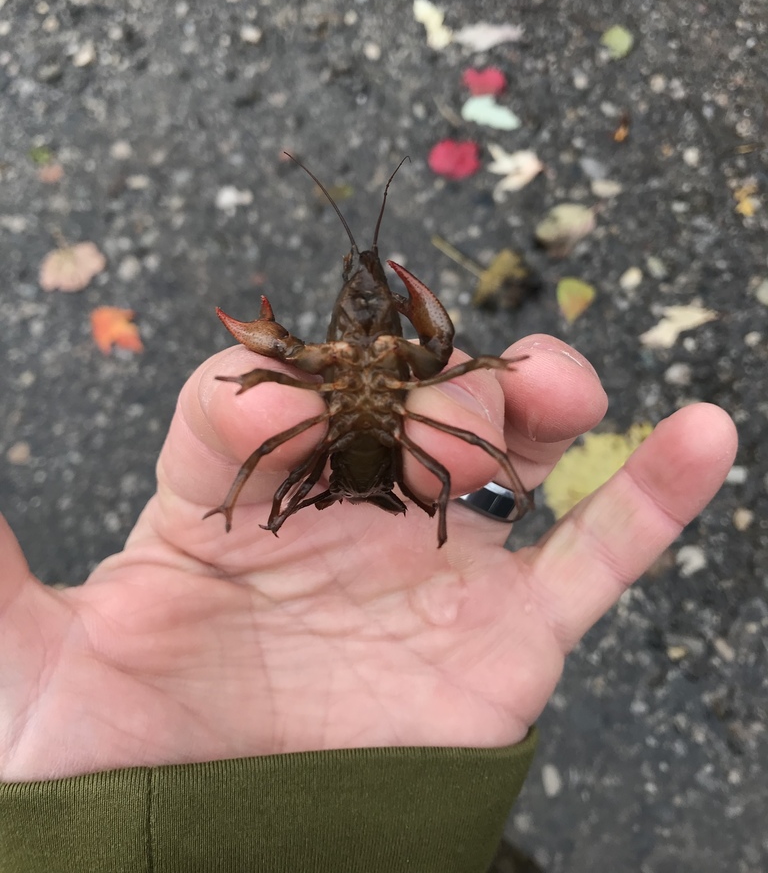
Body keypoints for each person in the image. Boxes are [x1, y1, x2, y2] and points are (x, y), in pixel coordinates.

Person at [0, 335, 737, 873]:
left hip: (382, 482)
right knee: (275, 420)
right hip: (363, 486)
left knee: (309, 416)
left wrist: (88, 830)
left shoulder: (64, 799)